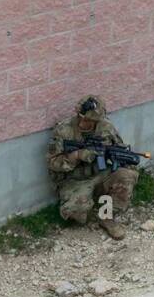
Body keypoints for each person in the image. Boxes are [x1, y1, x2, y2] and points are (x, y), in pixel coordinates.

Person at [47, 96, 139, 240]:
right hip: (75, 180)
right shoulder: (64, 131)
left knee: (126, 176)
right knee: (75, 211)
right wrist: (76, 156)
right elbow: (52, 163)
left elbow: (118, 147)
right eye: (82, 118)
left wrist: (114, 156)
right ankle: (90, 203)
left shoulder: (106, 128)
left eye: (90, 121)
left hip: (101, 173)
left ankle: (106, 216)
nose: (84, 123)